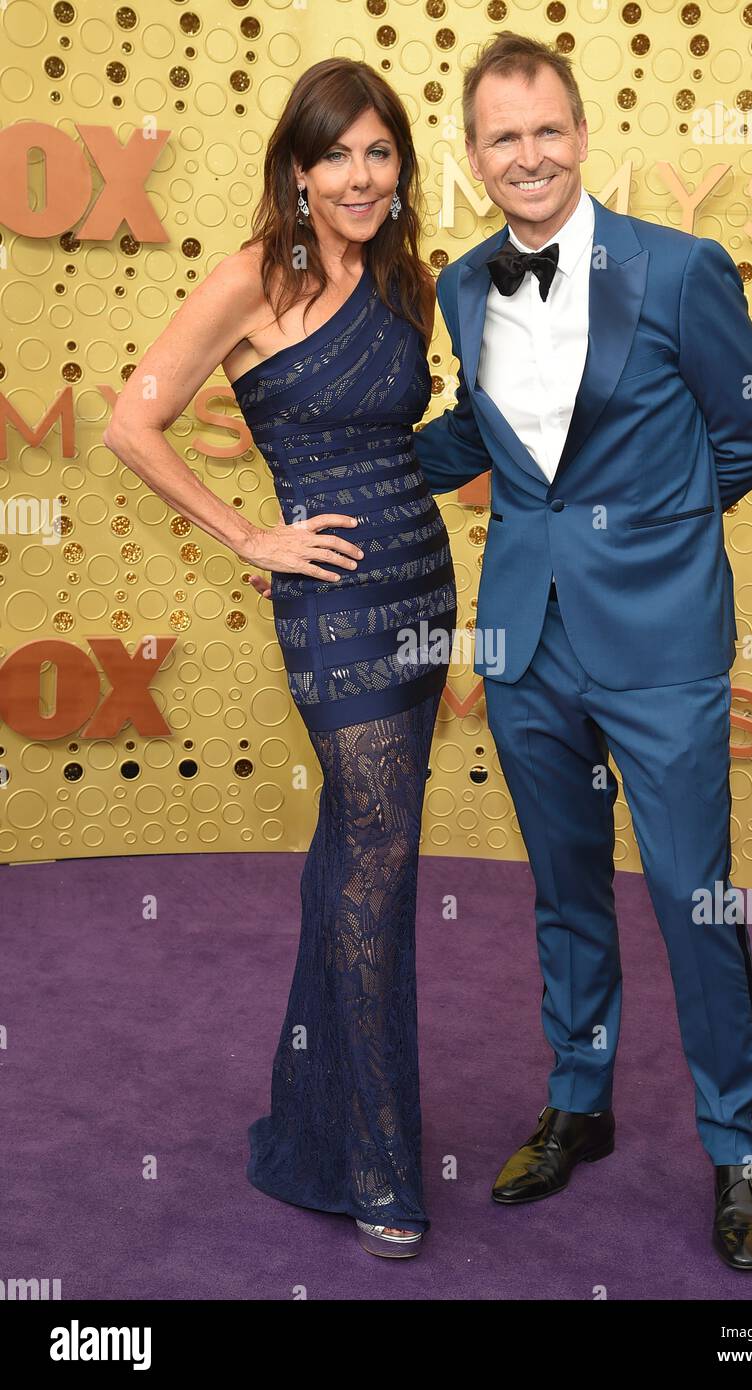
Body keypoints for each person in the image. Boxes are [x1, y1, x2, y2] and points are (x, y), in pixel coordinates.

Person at [411, 31, 752, 1271]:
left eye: (545, 130)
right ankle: (579, 1102)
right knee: (565, 893)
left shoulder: (679, 269)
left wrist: (660, 540)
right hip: (526, 641)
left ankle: (735, 1147)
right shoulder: (462, 285)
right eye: (500, 138)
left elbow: (749, 435)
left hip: (661, 644)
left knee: (693, 898)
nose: (526, 155)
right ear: (473, 161)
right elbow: (481, 431)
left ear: (583, 136)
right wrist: (353, 465)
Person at [103, 57, 456, 1259]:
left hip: (421, 585)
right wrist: (251, 534)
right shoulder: (252, 277)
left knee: (361, 851)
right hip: (335, 603)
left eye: (379, 152)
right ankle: (375, 1162)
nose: (360, 176)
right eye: (336, 156)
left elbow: (414, 439)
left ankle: (323, 1123)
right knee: (380, 860)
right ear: (296, 172)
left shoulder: (410, 279)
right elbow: (129, 418)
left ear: (398, 166)